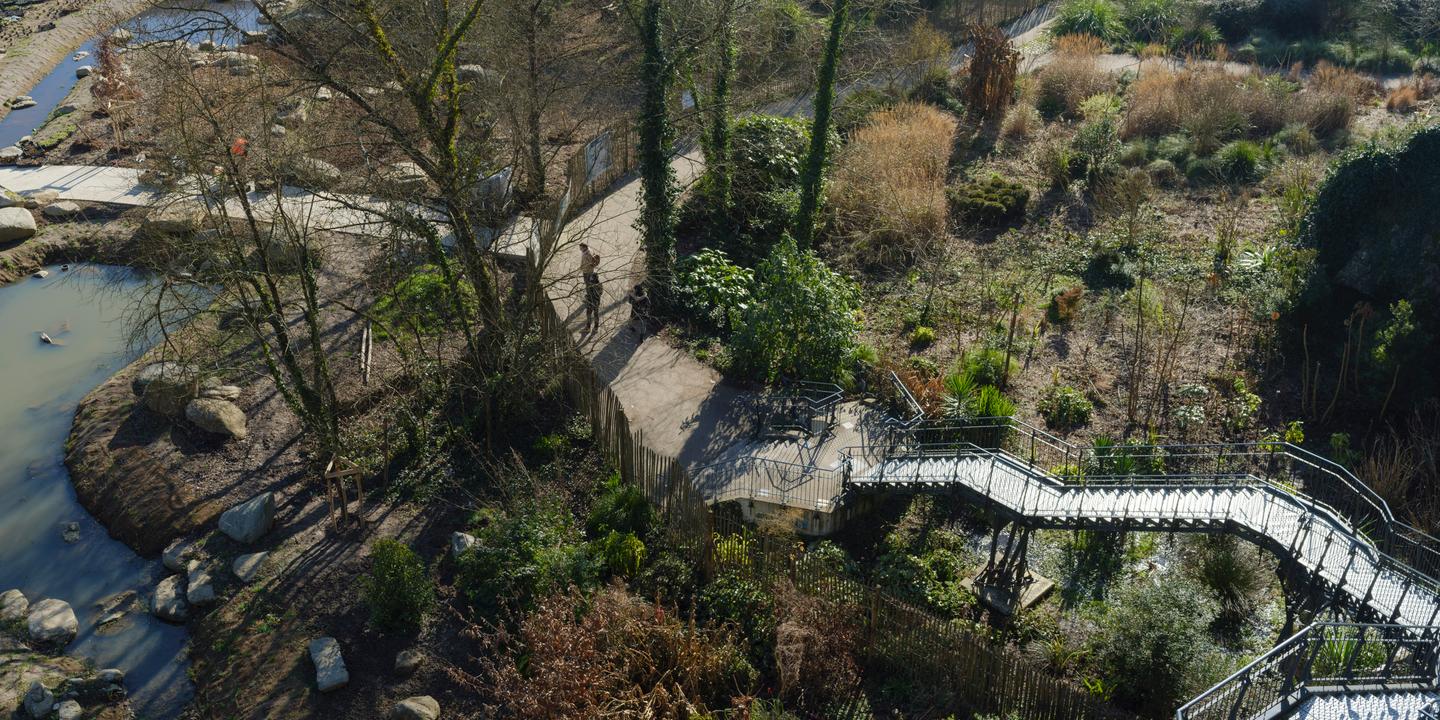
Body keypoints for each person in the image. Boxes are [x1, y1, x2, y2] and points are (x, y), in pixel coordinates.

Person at [580, 243, 602, 333]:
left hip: (591, 302)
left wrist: (588, 299)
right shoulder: (600, 285)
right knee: (596, 314)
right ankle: (596, 328)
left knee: (589, 314)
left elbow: (589, 293)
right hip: (596, 302)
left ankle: (588, 327)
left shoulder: (590, 285)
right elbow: (600, 293)